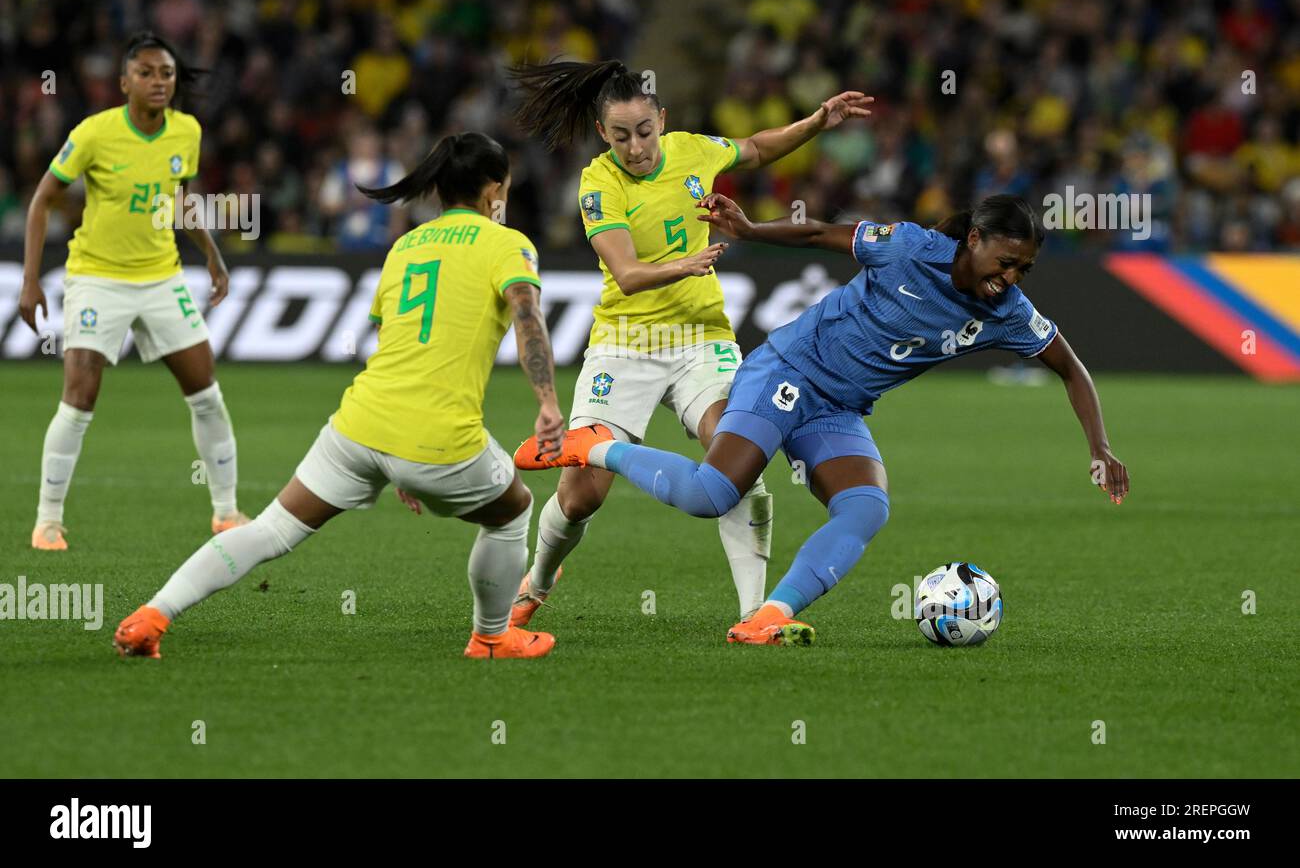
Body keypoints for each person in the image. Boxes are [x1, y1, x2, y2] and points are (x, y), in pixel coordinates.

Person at [515, 193, 1130, 645]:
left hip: (837, 408)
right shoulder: (911, 247)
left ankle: (769, 617)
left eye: (1023, 269)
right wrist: (752, 229)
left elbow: (1071, 368)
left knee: (867, 506)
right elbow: (821, 236)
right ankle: (596, 445)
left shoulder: (1010, 313)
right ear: (974, 239)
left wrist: (1100, 447)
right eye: (1005, 260)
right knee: (712, 494)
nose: (1010, 278)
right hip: (786, 370)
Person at [114, 132, 565, 660]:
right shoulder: (508, 244)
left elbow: (385, 340)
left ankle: (153, 614)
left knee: (270, 530)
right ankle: (492, 638)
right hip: (436, 437)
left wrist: (395, 458)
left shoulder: (406, 246)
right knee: (512, 510)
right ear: (494, 190)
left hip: (360, 424)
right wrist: (548, 402)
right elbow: (527, 315)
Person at [507, 58, 873, 623]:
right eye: (622, 136)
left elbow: (754, 147)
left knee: (736, 462)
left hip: (702, 340)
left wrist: (816, 122)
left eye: (645, 132)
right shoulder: (598, 182)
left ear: (662, 121)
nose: (636, 148)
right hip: (623, 344)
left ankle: (756, 615)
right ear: (604, 135)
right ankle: (537, 580)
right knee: (582, 496)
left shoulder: (692, 150)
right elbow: (627, 274)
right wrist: (687, 264)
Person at [18, 31, 248, 551]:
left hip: (162, 277)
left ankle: (227, 512)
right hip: (98, 278)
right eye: (145, 73)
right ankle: (48, 520)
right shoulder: (95, 133)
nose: (158, 81)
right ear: (124, 83)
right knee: (79, 399)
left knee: (207, 393)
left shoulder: (186, 131)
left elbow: (182, 201)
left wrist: (211, 254)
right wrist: (31, 280)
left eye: (166, 72)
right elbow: (42, 201)